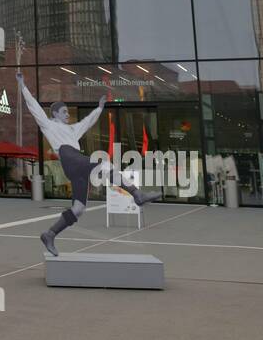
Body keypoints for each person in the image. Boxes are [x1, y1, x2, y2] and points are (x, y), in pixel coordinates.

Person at [16, 73, 158, 257]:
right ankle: (137, 194)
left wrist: (99, 109)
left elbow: (87, 122)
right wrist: (22, 85)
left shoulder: (73, 129)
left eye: (68, 111)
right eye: (64, 112)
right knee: (104, 165)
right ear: (55, 114)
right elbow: (34, 107)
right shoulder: (49, 125)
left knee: (79, 208)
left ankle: (50, 234)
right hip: (69, 157)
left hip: (76, 167)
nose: (68, 114)